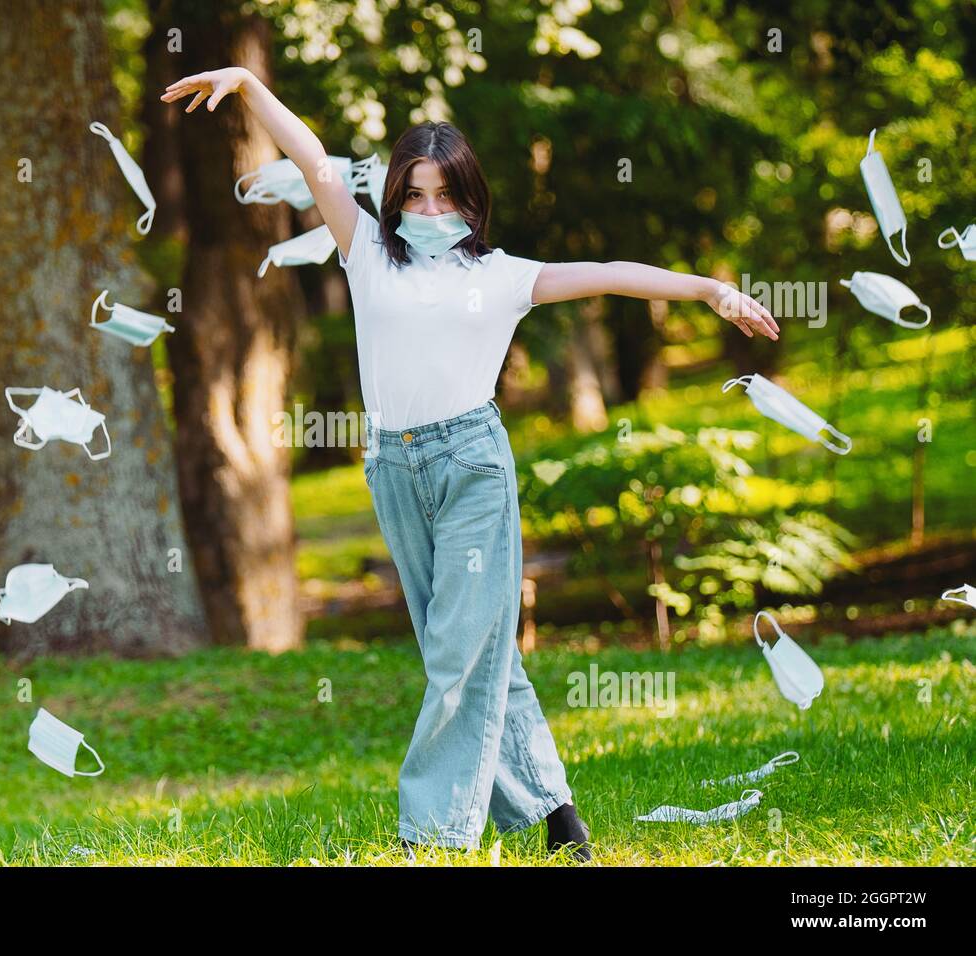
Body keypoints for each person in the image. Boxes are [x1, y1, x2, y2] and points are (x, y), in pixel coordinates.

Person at [162, 67, 779, 863]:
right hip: (393, 469)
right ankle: (558, 816)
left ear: (471, 201)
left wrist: (709, 290)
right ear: (392, 199)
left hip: (472, 467)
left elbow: (614, 275)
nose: (426, 211)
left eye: (443, 196)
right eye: (412, 195)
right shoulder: (365, 255)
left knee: (457, 648)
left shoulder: (501, 277)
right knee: (471, 646)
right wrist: (249, 84)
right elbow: (315, 160)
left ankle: (431, 835)